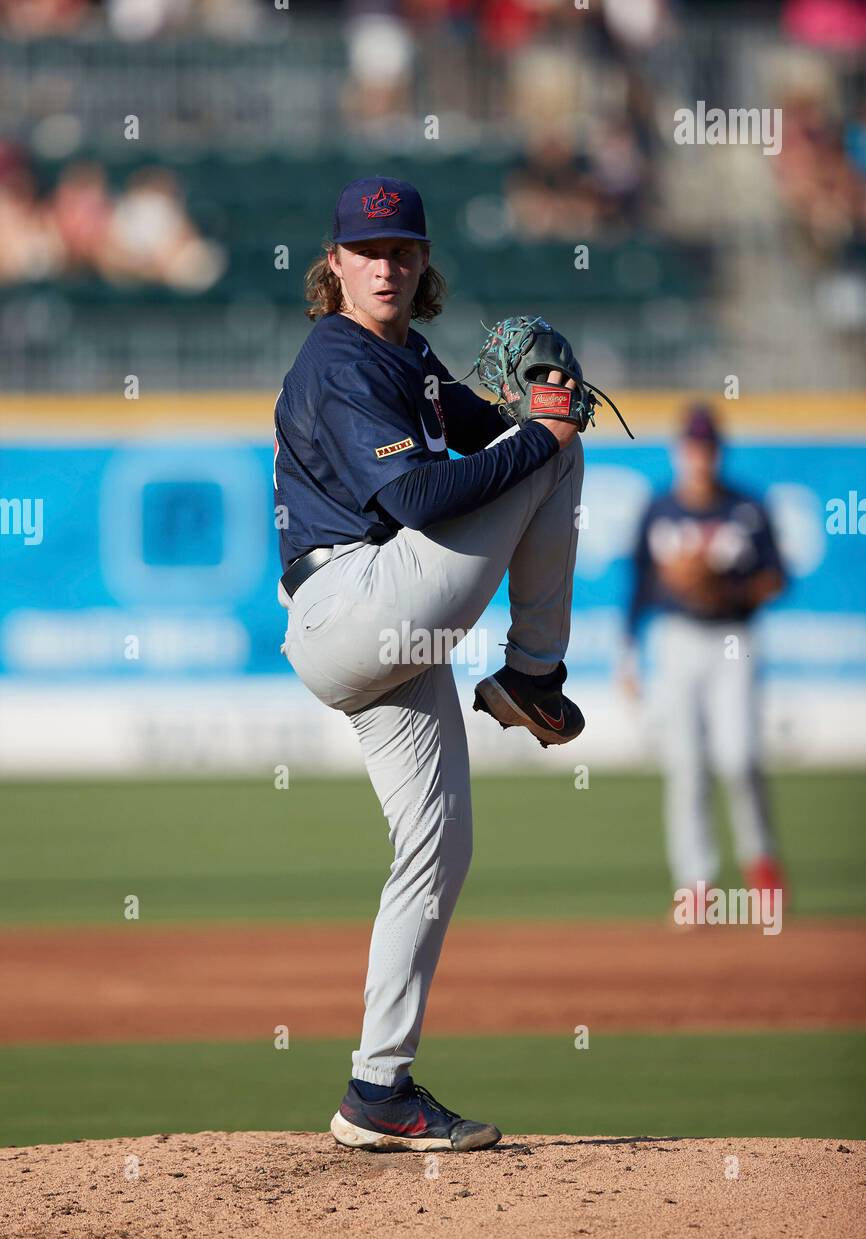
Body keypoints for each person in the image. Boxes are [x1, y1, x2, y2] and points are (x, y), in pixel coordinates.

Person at [274, 175, 586, 1152]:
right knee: (558, 455)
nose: (386, 266)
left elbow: (486, 439)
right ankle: (532, 672)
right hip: (352, 599)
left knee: (436, 849)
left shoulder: (406, 357)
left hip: (385, 630)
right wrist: (543, 431)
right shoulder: (338, 358)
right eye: (367, 252)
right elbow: (417, 499)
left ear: (423, 263)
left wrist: (524, 410)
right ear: (333, 265)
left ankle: (378, 1089)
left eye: (402, 250)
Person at [622, 404, 787, 911]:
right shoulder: (661, 509)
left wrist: (726, 589)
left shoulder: (747, 508)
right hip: (677, 639)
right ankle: (696, 887)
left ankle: (761, 865)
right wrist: (627, 654)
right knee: (687, 766)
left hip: (734, 640)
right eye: (692, 447)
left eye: (708, 446)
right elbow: (641, 584)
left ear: (718, 451)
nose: (700, 456)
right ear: (680, 452)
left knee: (740, 758)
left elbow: (777, 578)